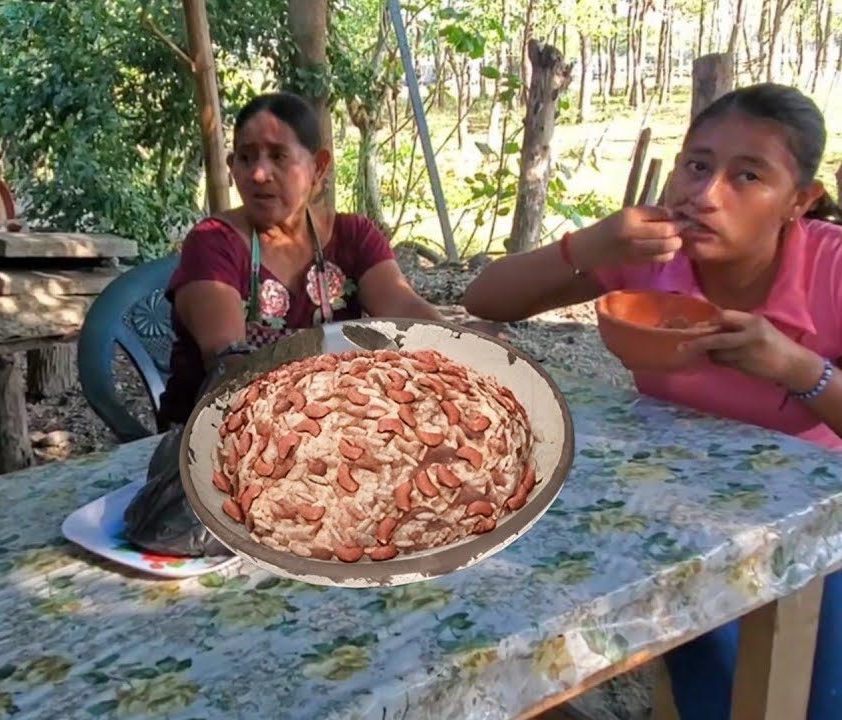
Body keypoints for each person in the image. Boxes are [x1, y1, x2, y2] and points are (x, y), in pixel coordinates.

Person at [463, 83, 842, 719]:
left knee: (816, 695)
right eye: (697, 165)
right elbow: (486, 300)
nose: (705, 193)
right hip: (679, 506)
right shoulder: (651, 256)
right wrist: (588, 246)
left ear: (797, 203)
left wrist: (799, 368)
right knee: (711, 673)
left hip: (816, 514)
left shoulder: (830, 268)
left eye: (747, 176)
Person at [157, 91, 460, 428]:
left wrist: (453, 344)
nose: (259, 174)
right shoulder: (213, 242)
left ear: (319, 167)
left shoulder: (353, 236)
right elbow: (230, 360)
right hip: (217, 432)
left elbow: (407, 311)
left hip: (332, 424)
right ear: (231, 167)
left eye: (278, 156)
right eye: (246, 158)